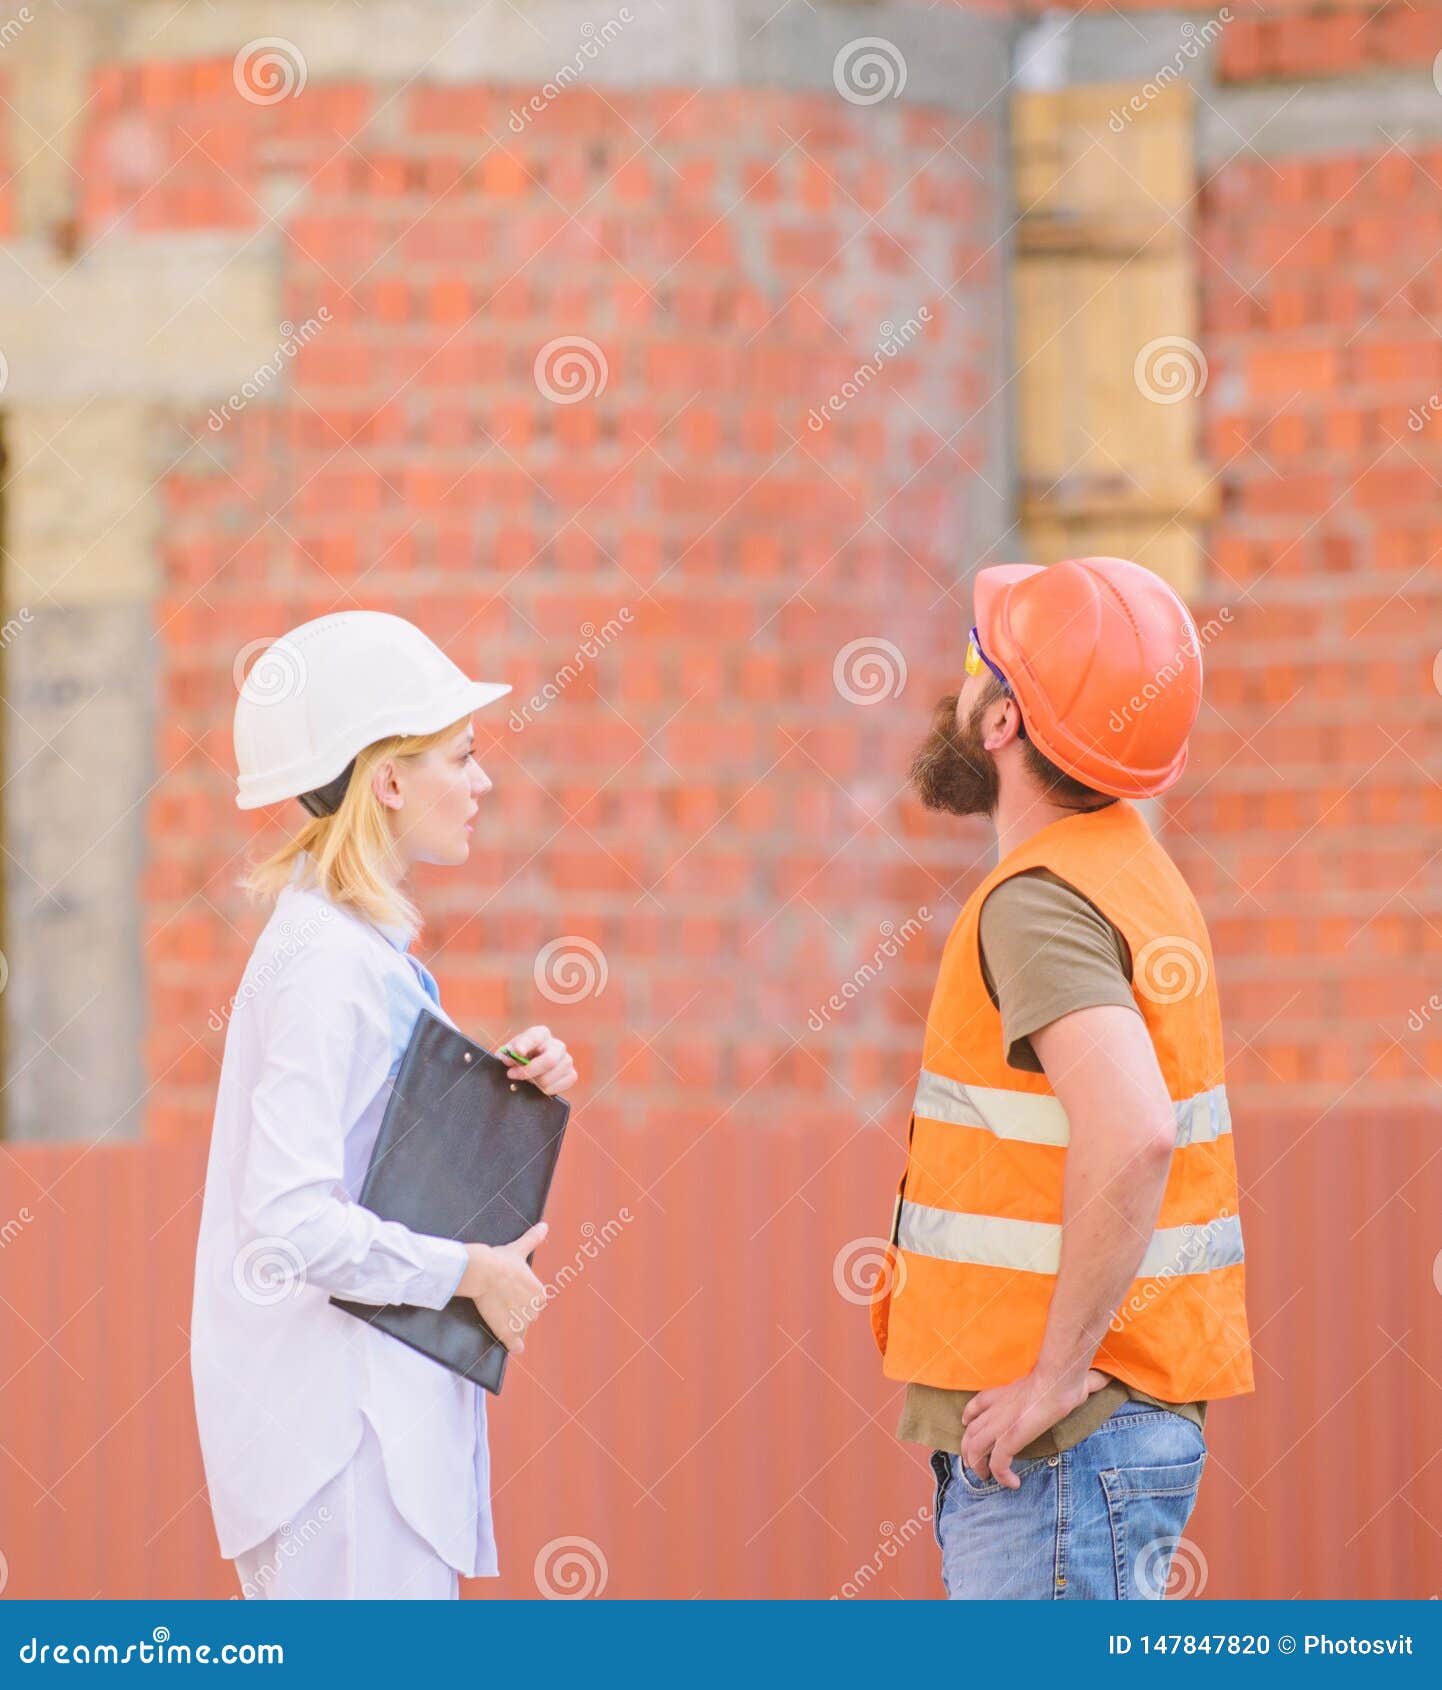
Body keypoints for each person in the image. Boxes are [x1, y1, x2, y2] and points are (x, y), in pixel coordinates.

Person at [870, 556, 1254, 1601]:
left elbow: (1132, 1132)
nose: (953, 688)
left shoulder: (1037, 902)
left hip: (1057, 1448)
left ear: (1000, 721)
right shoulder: (1125, 872)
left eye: (973, 666)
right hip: (1097, 1431)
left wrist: (1051, 1375)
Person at [190, 609, 578, 1599]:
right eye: (462, 755)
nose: (483, 781)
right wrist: (469, 1271)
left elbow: (367, 1156)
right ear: (391, 780)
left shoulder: (351, 951)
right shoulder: (328, 962)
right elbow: (286, 1220)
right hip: (340, 1449)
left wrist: (498, 1090)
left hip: (357, 1439)